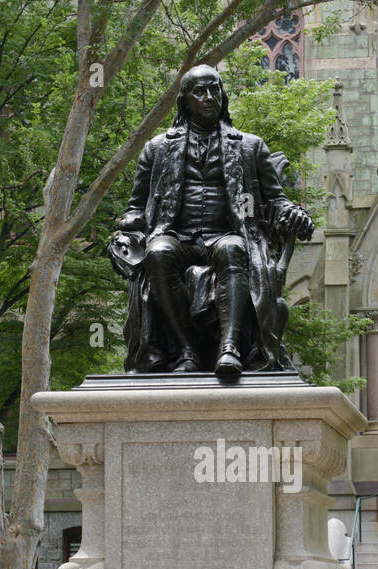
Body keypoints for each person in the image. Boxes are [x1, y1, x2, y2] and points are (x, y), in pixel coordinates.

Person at [112, 65, 313, 376]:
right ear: (185, 101)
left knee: (233, 249)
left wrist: (294, 212)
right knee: (158, 253)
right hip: (178, 235)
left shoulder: (250, 146)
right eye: (199, 91)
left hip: (228, 234)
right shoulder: (157, 148)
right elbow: (136, 206)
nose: (209, 97)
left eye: (214, 90)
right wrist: (128, 225)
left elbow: (276, 201)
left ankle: (229, 348)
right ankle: (185, 350)